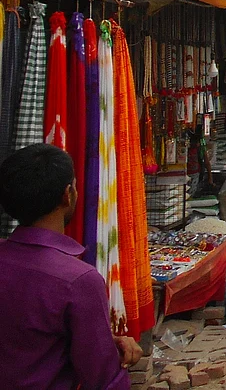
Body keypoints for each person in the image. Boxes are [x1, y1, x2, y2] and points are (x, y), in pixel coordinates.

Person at [0, 144, 143, 389]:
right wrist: (108, 351)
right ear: (68, 194)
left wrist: (107, 342)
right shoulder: (77, 280)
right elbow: (103, 379)